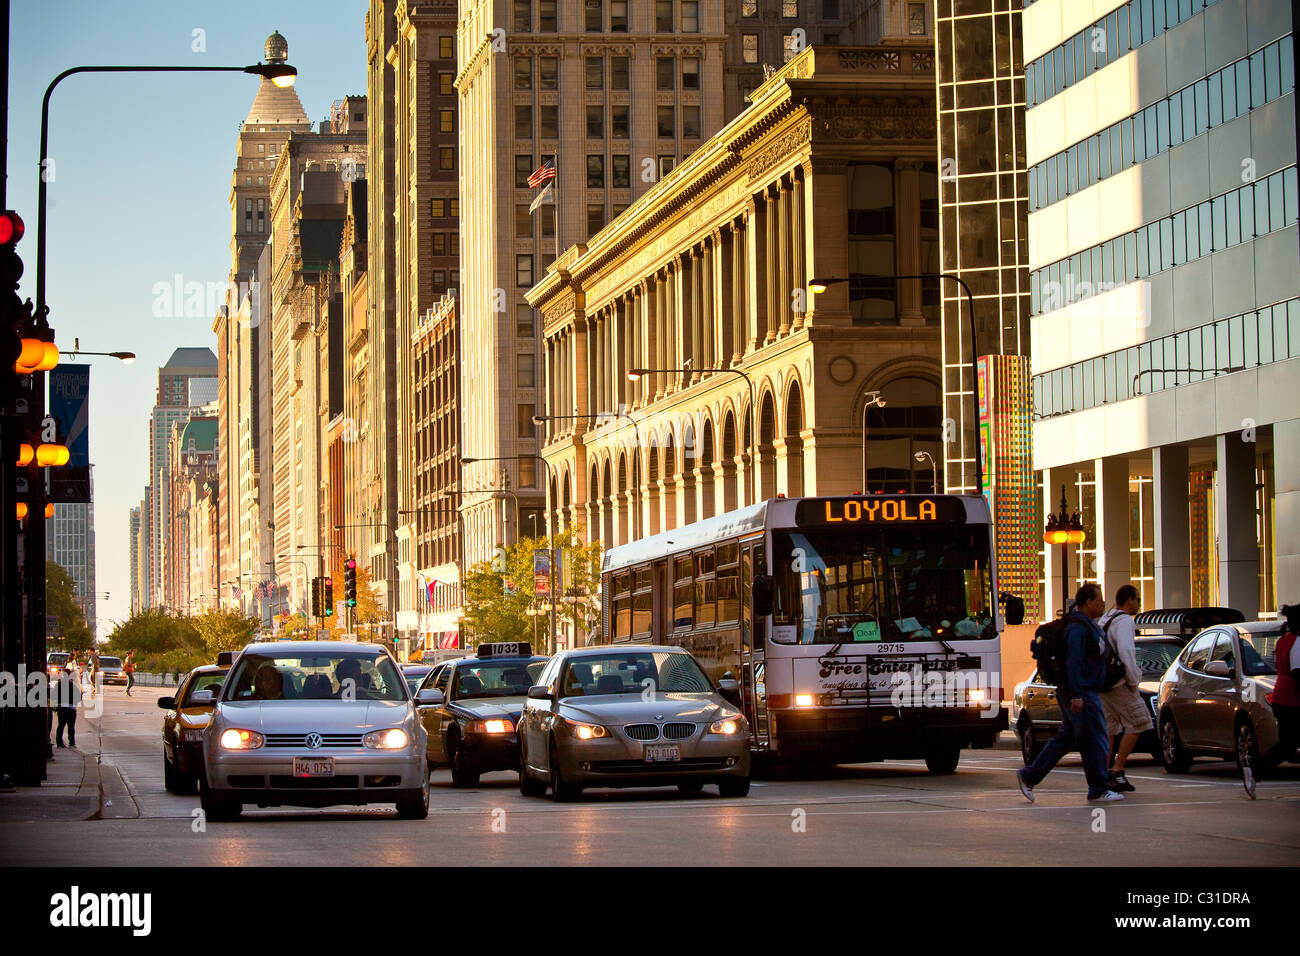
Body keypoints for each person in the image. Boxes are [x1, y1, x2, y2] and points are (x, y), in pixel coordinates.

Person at [1017, 583, 1124, 803]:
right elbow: (1074, 662)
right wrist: (1076, 695)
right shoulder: (1078, 628)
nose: (1102, 603)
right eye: (1098, 600)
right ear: (1087, 603)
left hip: (1081, 689)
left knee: (1068, 737)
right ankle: (1098, 788)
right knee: (1096, 739)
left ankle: (1029, 775)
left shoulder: (1087, 625)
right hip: (1082, 690)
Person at [1098, 584, 1149, 792]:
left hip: (1102, 683)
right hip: (1119, 683)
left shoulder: (1105, 619)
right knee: (1140, 721)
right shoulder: (1125, 621)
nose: (1139, 603)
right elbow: (1127, 651)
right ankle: (1117, 770)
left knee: (1110, 729)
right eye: (1137, 599)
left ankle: (1102, 773)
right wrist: (1133, 682)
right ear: (1129, 600)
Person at [1266, 604, 1300, 769]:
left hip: (1282, 699)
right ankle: (1256, 768)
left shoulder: (1283, 641)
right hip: (1291, 701)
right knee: (1288, 745)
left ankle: (1256, 769)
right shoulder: (1297, 642)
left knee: (1288, 745)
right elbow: (1298, 673)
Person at [54, 665, 81, 748]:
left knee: (61, 725)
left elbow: (53, 695)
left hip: (61, 707)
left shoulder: (58, 684)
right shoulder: (73, 685)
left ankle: (59, 742)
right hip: (71, 708)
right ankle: (72, 742)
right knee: (71, 727)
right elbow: (79, 698)